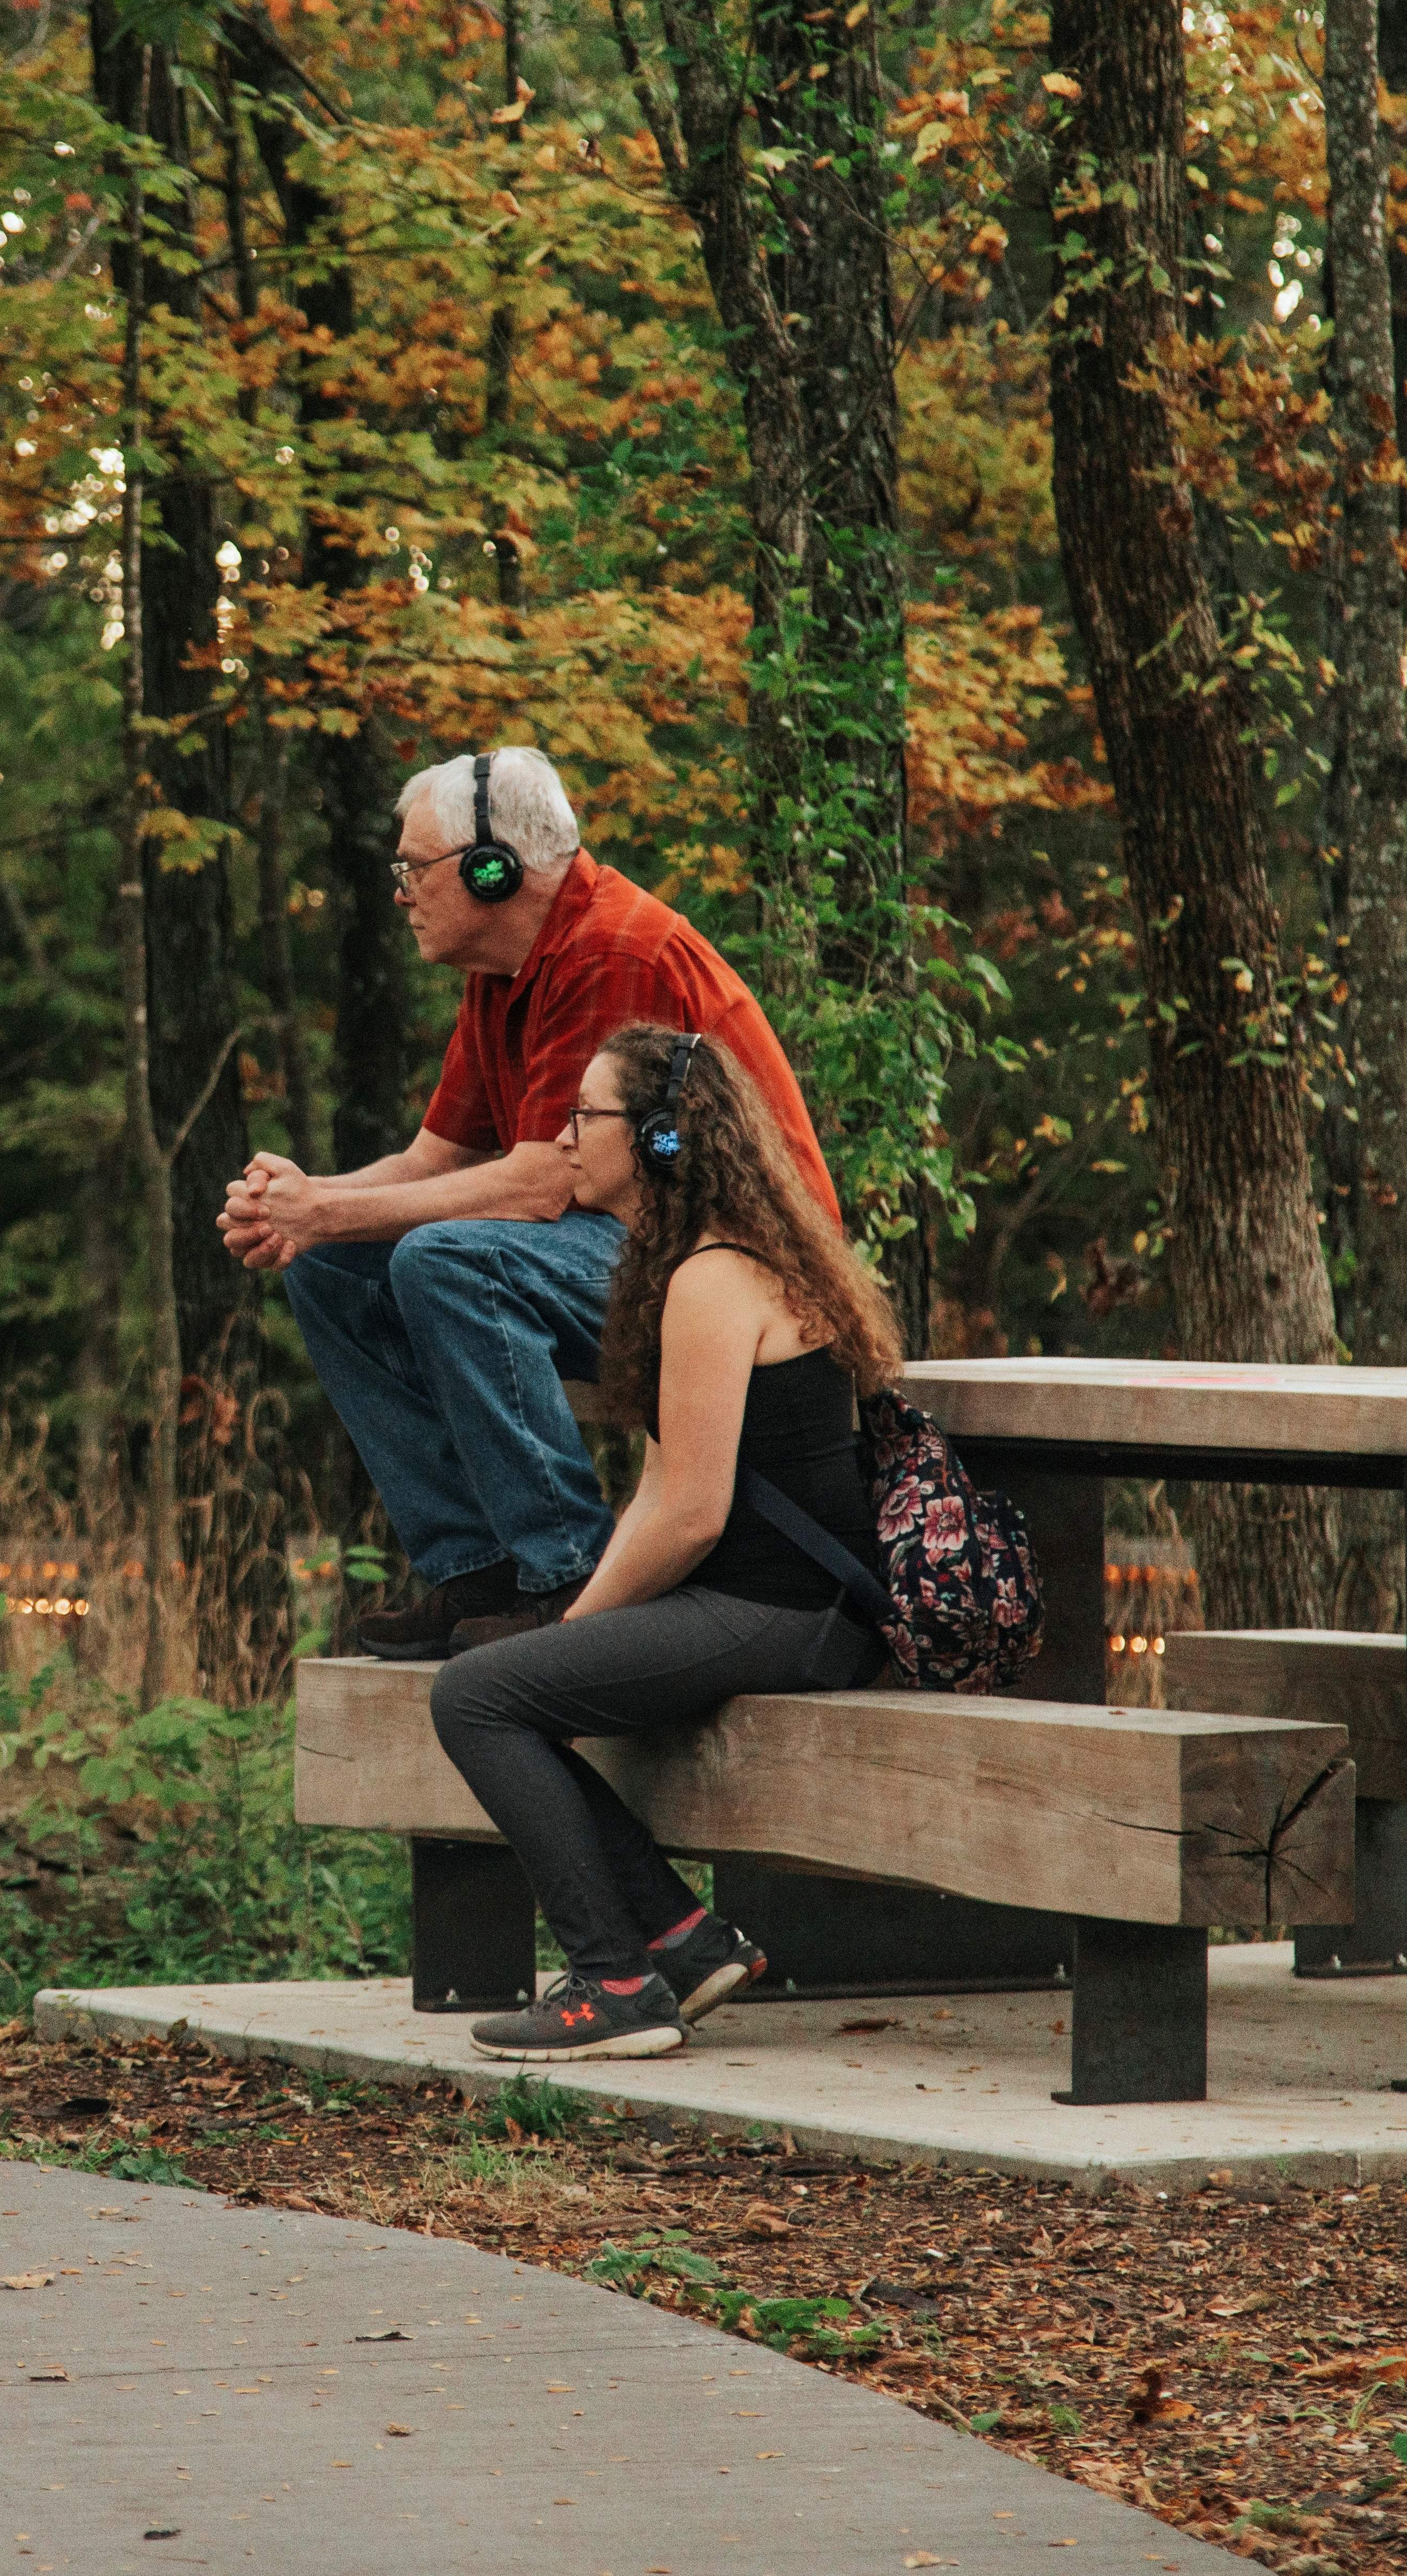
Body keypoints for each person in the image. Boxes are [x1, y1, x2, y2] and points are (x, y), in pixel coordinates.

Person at [218, 747, 833, 1658]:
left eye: (412, 869)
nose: (399, 892)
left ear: (493, 868)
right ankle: (479, 1579)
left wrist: (324, 1211)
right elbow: (435, 1161)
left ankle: (566, 1582)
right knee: (336, 1269)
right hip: (627, 1258)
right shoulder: (502, 977)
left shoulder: (612, 950)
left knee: (450, 1261)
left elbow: (547, 1182)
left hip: (743, 1285)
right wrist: (301, 1210)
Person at [427, 1022, 902, 2060]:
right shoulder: (696, 1260)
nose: (561, 1136)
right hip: (775, 1605)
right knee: (501, 1682)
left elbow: (690, 1511)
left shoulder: (714, 1277)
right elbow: (657, 1489)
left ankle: (613, 1982)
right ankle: (682, 1944)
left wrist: (571, 1628)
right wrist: (562, 1634)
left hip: (788, 1613)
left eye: (583, 1116)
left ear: (658, 1141)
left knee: (477, 1697)